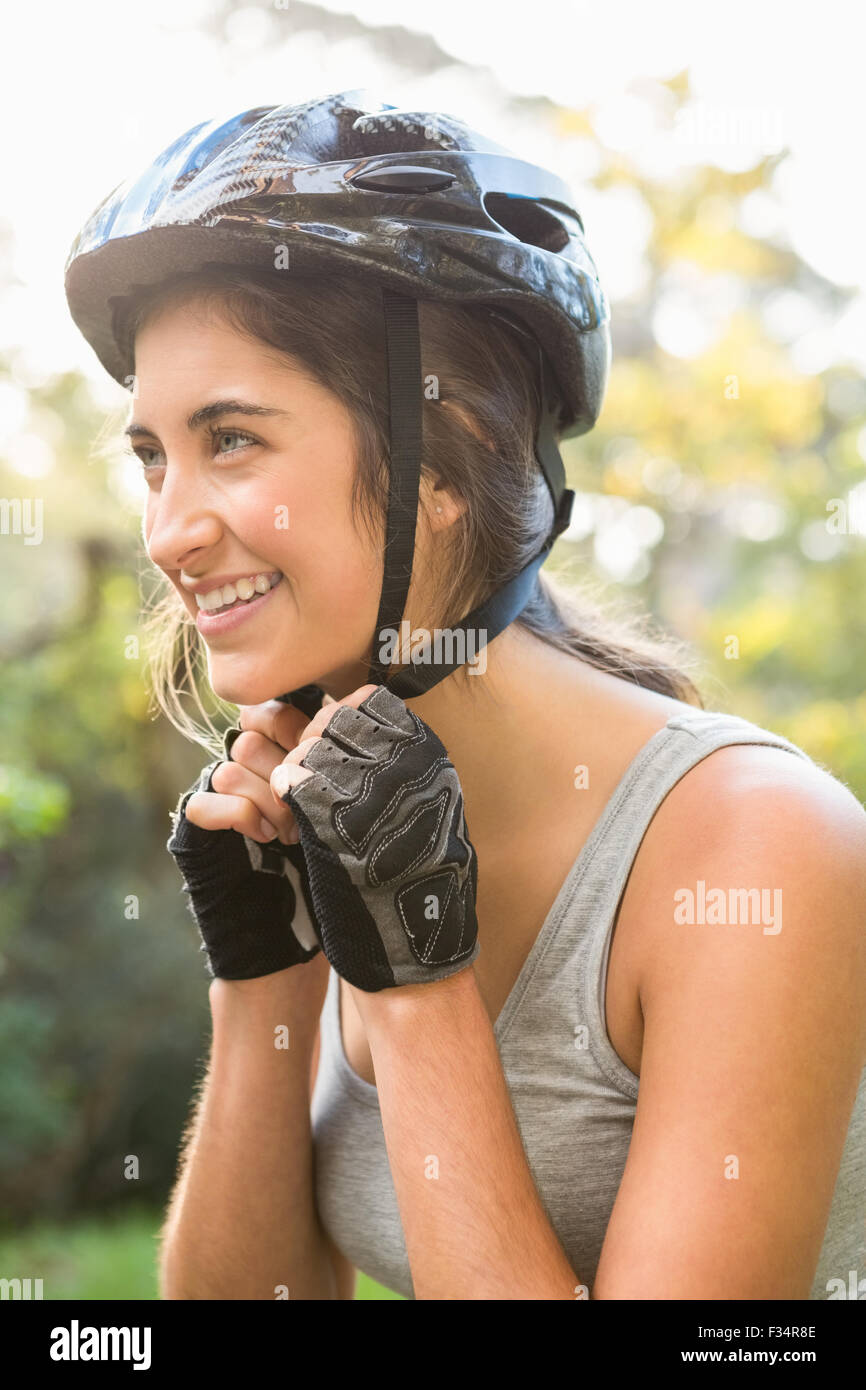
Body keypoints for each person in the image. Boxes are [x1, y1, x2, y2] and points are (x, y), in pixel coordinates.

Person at [64, 91, 866, 1301]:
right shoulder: (340, 797)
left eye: (231, 439)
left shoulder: (758, 849)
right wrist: (265, 983)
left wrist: (420, 981)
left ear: (447, 464)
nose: (169, 531)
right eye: (151, 457)